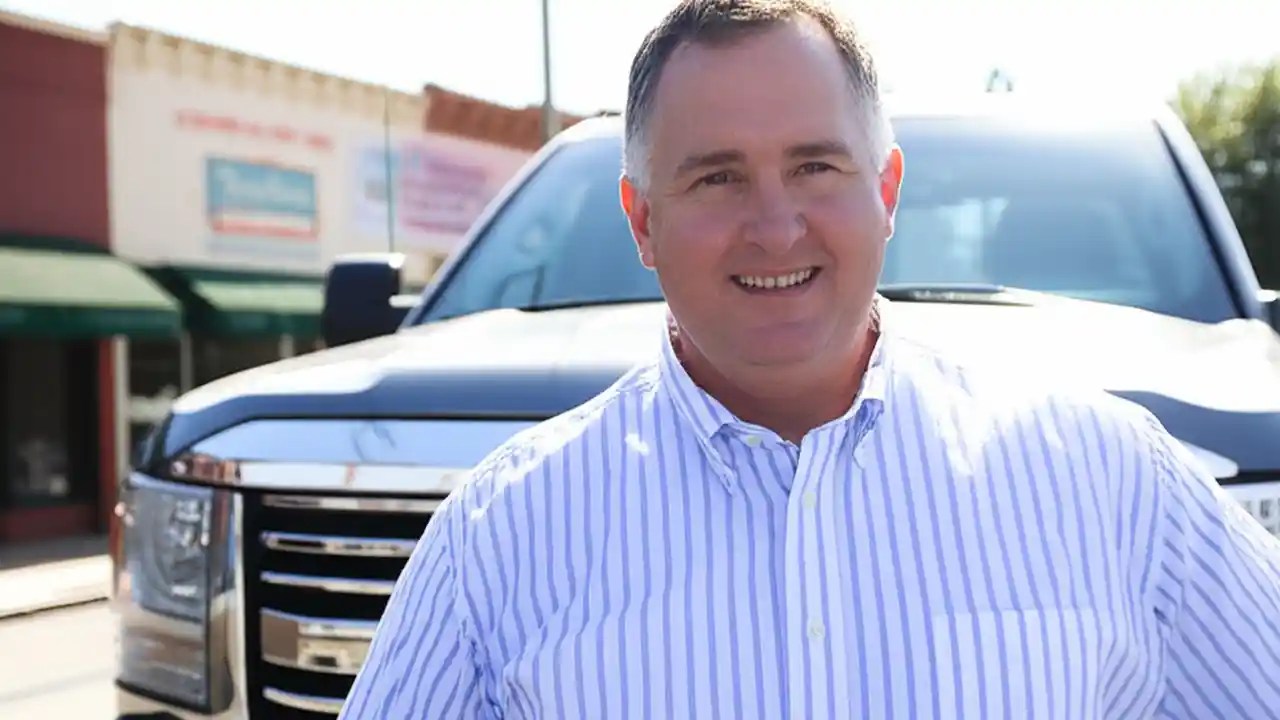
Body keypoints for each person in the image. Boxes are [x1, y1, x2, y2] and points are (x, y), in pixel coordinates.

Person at [340, 1, 1280, 717]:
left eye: (815, 167)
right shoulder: (498, 538)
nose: (775, 226)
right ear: (642, 222)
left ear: (887, 190)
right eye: (716, 177)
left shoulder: (1115, 483)